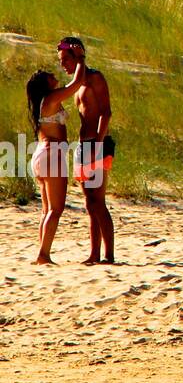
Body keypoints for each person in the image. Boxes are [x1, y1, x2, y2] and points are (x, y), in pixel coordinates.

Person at [57, 38, 115, 265]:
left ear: (77, 56)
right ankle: (94, 254)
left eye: (66, 59)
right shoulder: (77, 84)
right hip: (84, 145)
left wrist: (98, 145)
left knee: (98, 201)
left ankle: (109, 255)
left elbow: (106, 113)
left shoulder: (94, 78)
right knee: (89, 203)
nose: (63, 65)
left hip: (96, 144)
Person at [24, 62, 85, 264]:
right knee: (55, 209)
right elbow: (75, 84)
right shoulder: (49, 99)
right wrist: (81, 60)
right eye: (51, 76)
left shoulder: (44, 103)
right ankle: (44, 254)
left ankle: (42, 253)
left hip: (42, 154)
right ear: (46, 83)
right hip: (52, 153)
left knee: (47, 209)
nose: (55, 77)